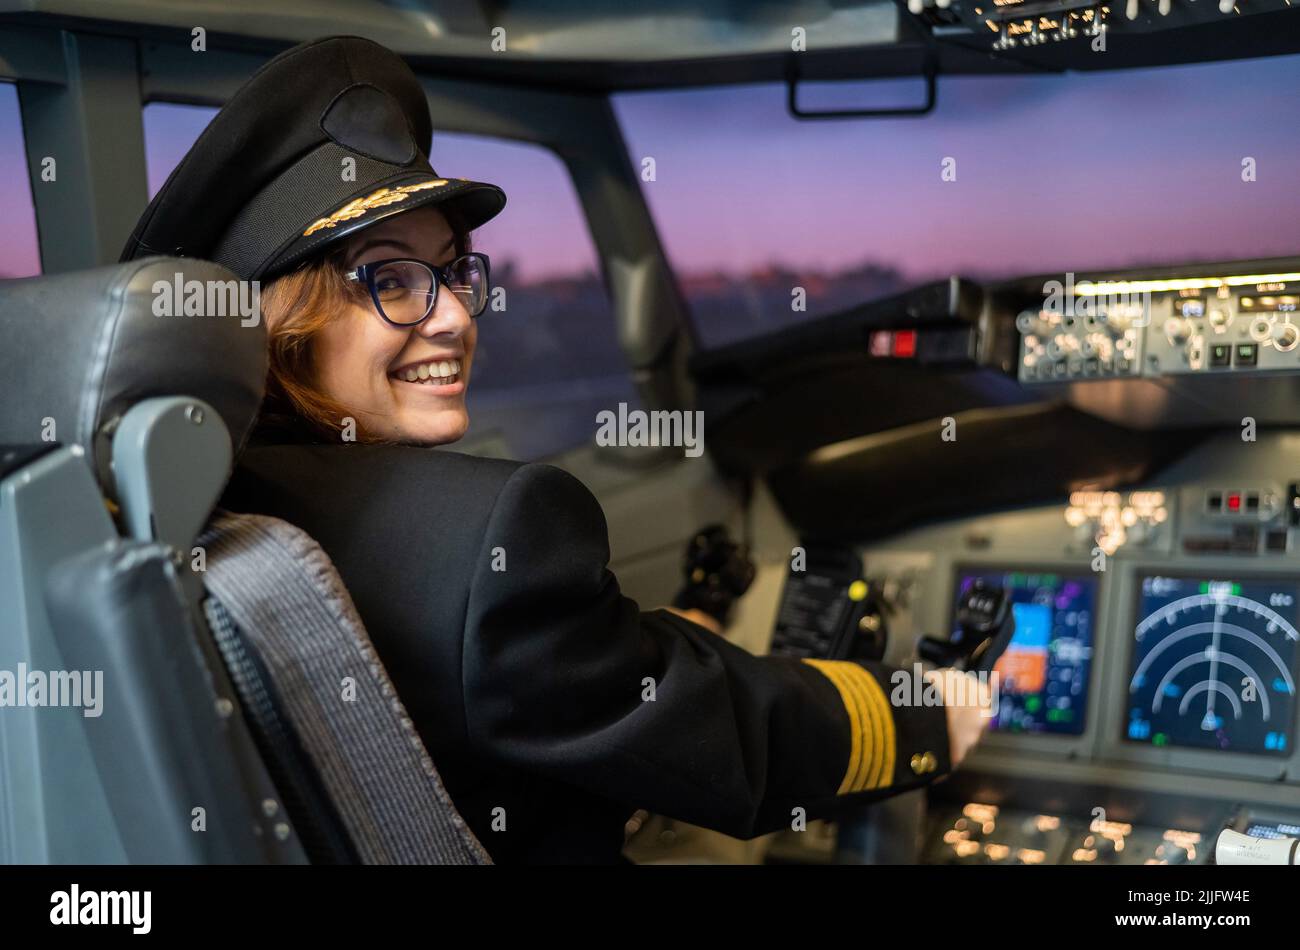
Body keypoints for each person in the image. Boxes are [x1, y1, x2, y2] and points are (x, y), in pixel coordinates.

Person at [120, 35, 990, 864]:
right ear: (283, 324)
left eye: (455, 270)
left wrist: (634, 660)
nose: (457, 315)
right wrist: (920, 717)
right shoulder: (485, 534)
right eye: (390, 280)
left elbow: (508, 717)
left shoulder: (190, 504)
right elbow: (738, 741)